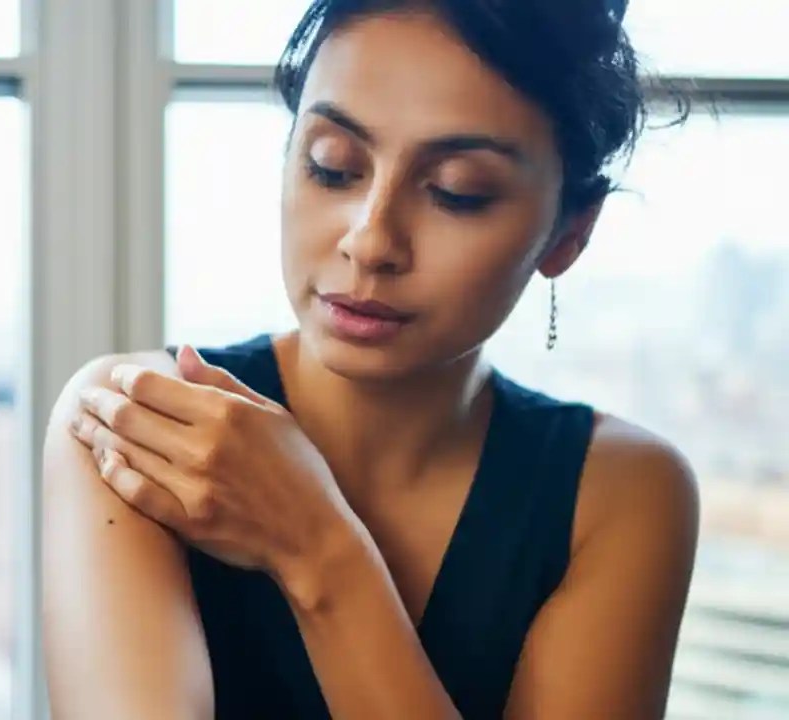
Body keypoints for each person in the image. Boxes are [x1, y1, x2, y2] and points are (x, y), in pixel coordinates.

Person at [42, 0, 698, 717]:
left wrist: (319, 550)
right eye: (334, 167)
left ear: (568, 235)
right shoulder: (138, 419)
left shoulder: (620, 493)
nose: (371, 240)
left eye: (458, 192)